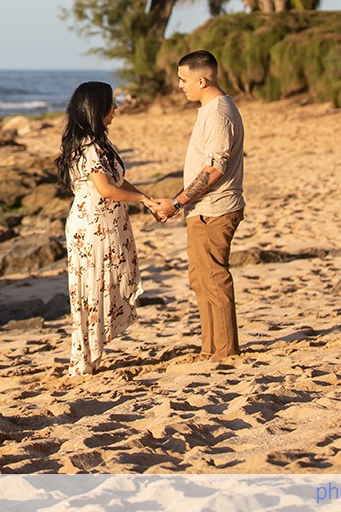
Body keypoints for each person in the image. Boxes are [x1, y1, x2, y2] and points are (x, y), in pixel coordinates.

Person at [56, 80, 174, 376]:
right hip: (94, 225)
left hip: (104, 221)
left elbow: (117, 183)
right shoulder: (90, 146)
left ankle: (89, 357)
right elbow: (106, 190)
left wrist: (145, 199)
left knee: (97, 286)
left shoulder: (97, 143)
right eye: (112, 104)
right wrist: (144, 199)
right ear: (97, 108)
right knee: (92, 288)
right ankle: (83, 359)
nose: (117, 110)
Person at [167, 49, 245, 360]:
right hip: (202, 210)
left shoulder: (218, 113)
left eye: (183, 80)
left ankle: (225, 350)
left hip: (216, 209)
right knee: (201, 279)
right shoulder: (209, 109)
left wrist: (177, 201)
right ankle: (210, 347)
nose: (180, 85)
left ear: (202, 79)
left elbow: (215, 168)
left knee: (213, 278)